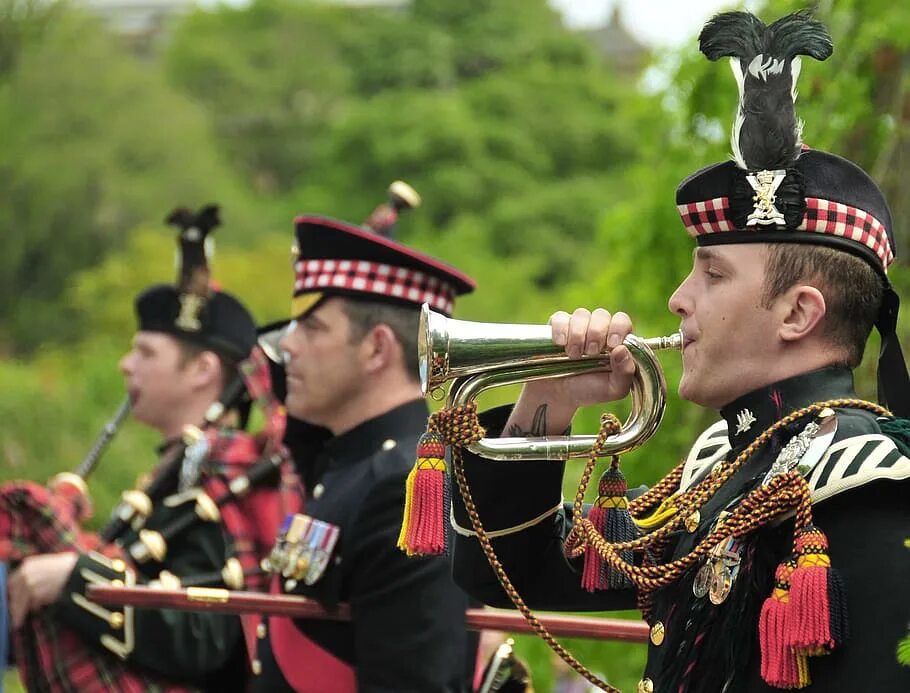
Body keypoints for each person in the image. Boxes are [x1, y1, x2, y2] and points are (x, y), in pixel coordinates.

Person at [446, 11, 910, 693]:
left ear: (799, 312)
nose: (677, 297)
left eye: (712, 274)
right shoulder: (718, 473)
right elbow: (504, 570)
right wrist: (550, 400)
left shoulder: (869, 487)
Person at [4, 205, 299, 691]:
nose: (124, 365)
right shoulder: (181, 466)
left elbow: (209, 633)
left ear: (203, 370)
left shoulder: (223, 468)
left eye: (145, 352)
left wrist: (77, 580)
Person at [251, 182, 479, 692]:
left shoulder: (405, 487)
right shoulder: (351, 467)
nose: (286, 344)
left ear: (377, 350)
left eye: (311, 328)